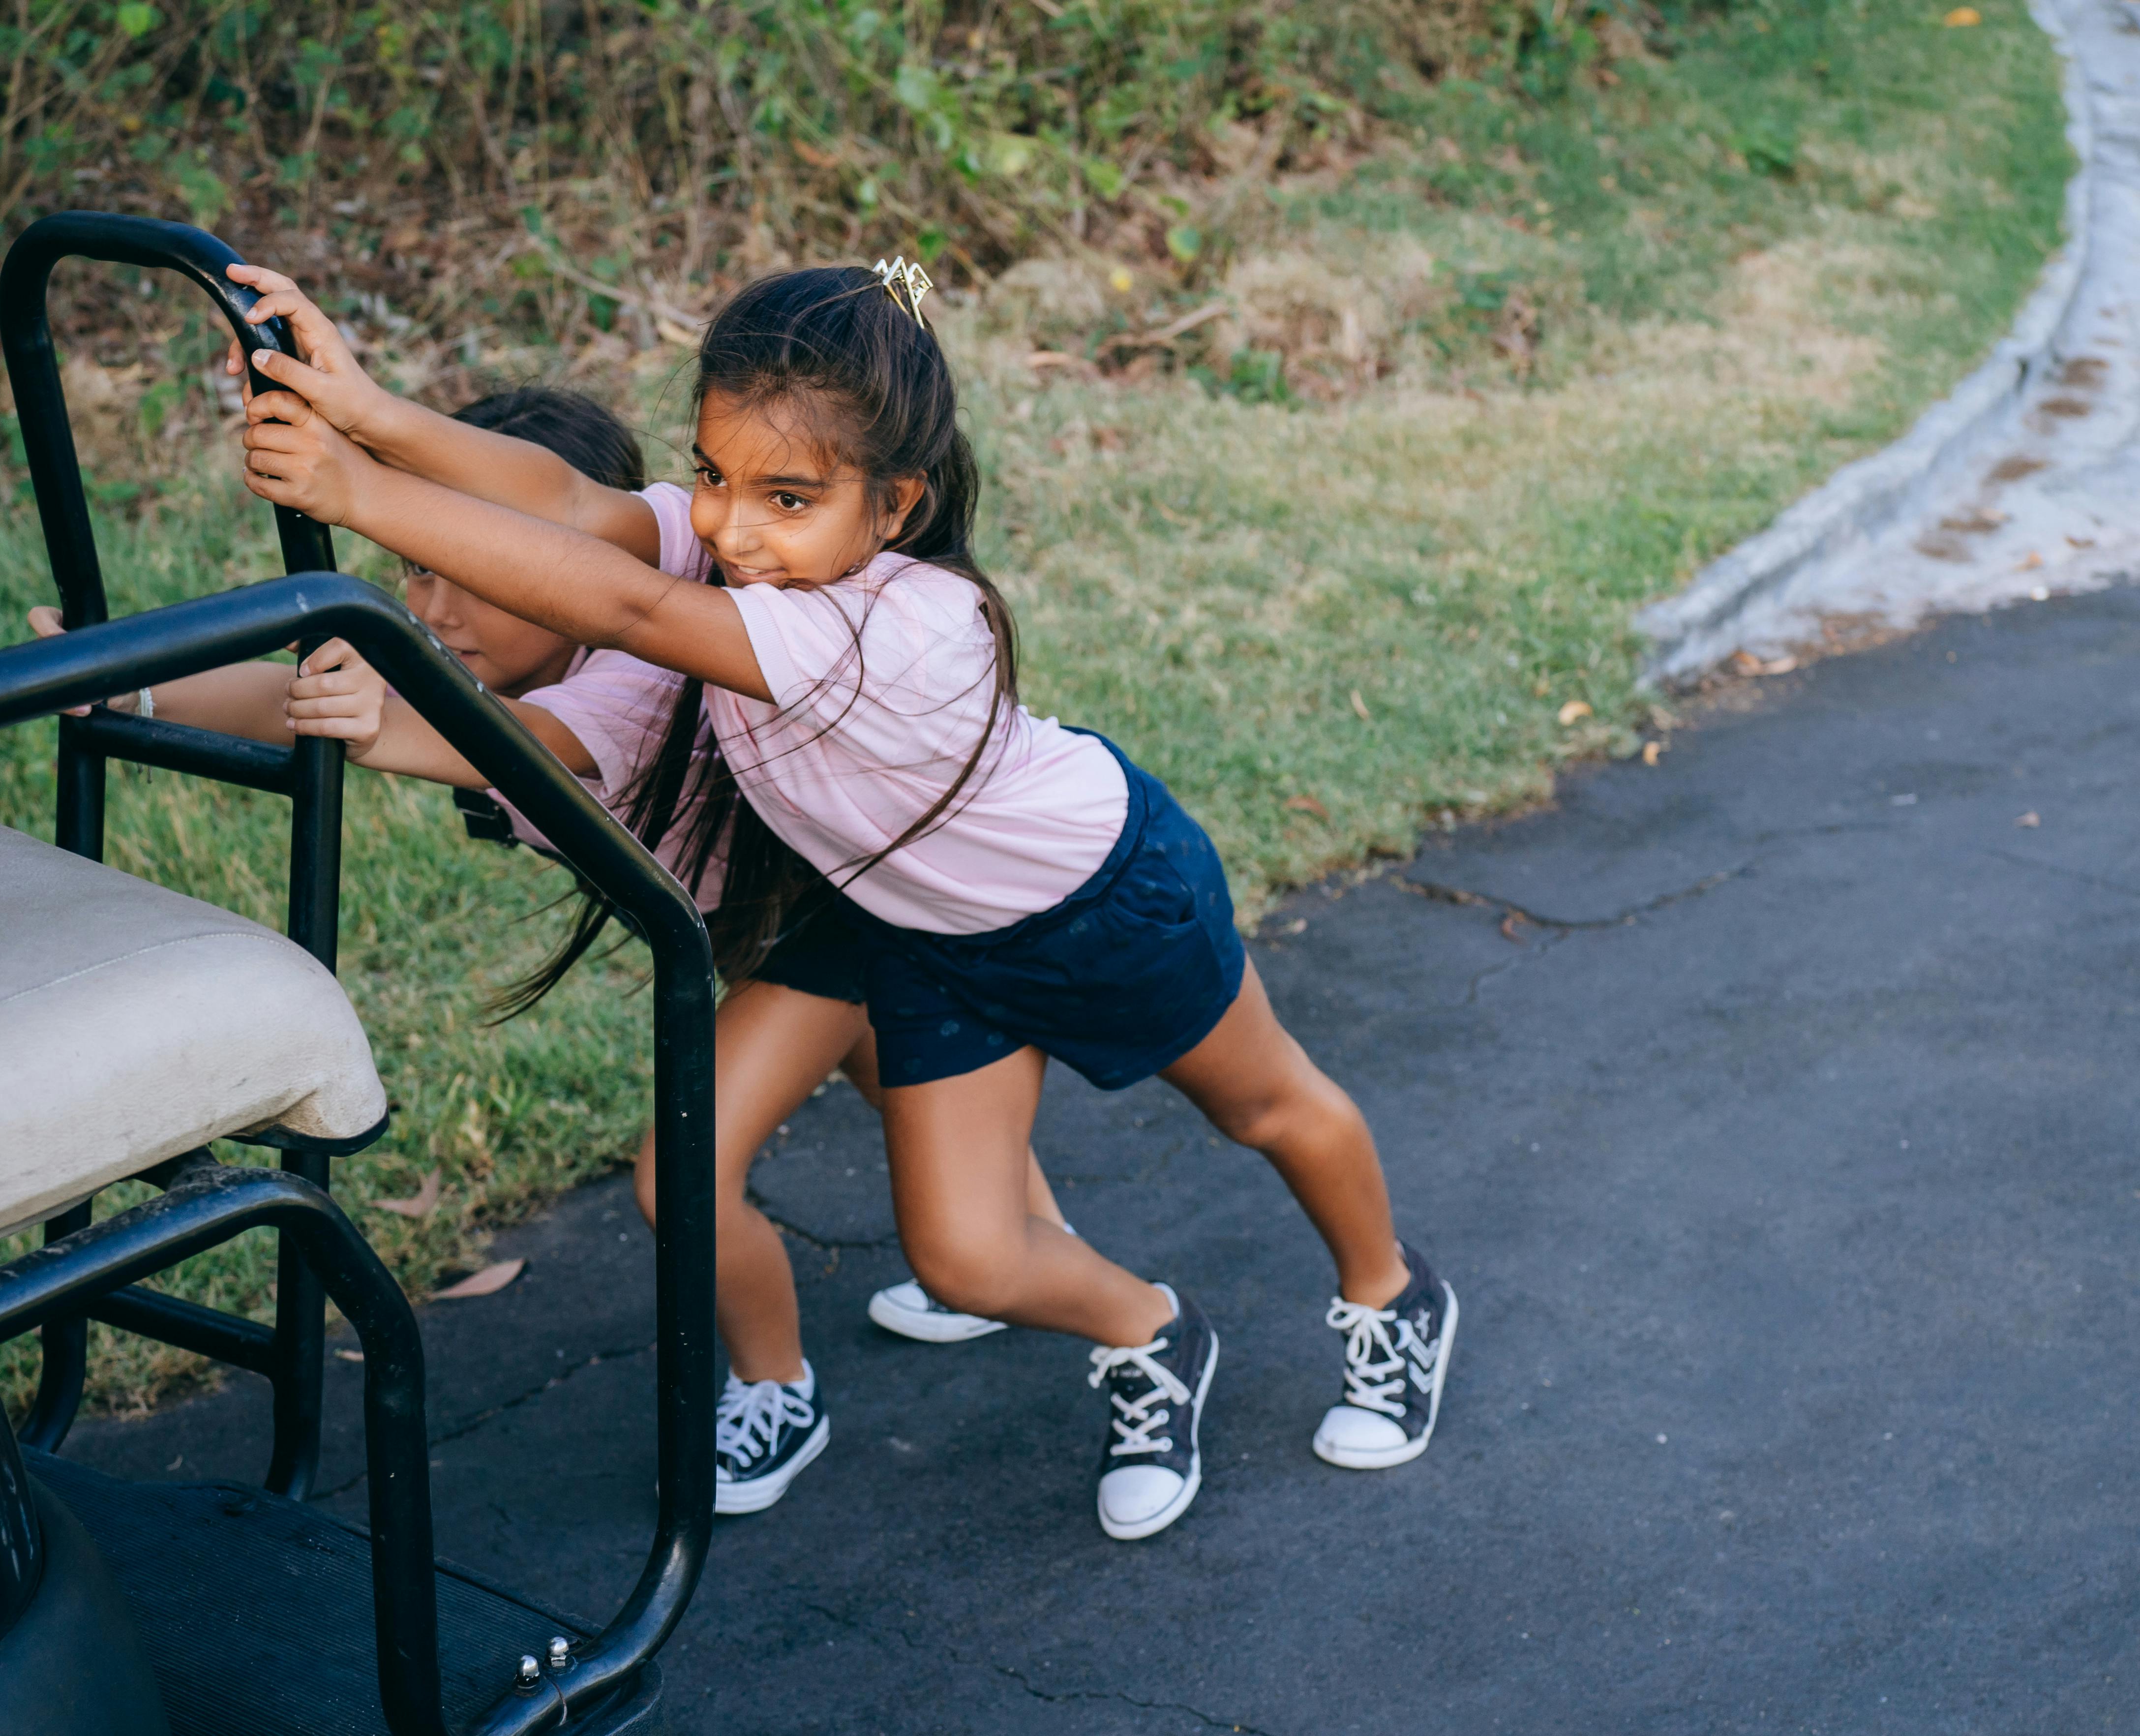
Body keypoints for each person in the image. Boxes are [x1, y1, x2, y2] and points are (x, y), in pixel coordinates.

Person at [209, 254, 1460, 1543]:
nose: (734, 529)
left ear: (896, 503)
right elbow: (578, 506)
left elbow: (630, 603)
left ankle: (1392, 1295)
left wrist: (361, 493)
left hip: (1103, 896)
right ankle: (1154, 1329)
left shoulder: (887, 625)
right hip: (925, 937)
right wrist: (373, 414)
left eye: (789, 496)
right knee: (964, 1257)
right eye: (714, 475)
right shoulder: (763, 555)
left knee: (1267, 1103)